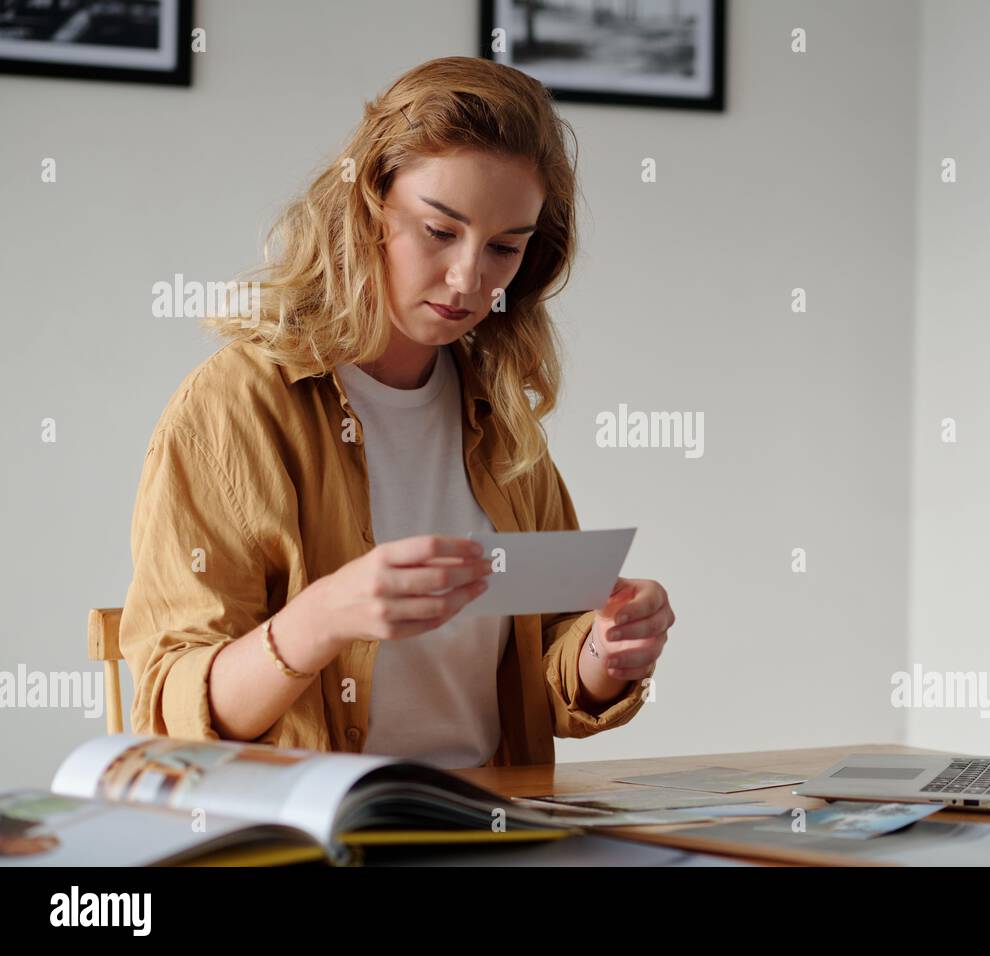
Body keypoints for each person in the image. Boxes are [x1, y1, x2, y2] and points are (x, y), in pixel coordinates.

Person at [121, 56, 674, 768]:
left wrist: (607, 646)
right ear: (368, 205)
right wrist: (322, 619)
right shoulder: (235, 408)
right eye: (440, 232)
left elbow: (543, 665)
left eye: (505, 248)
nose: (470, 277)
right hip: (313, 833)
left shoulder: (496, 411)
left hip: (488, 824)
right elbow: (174, 710)